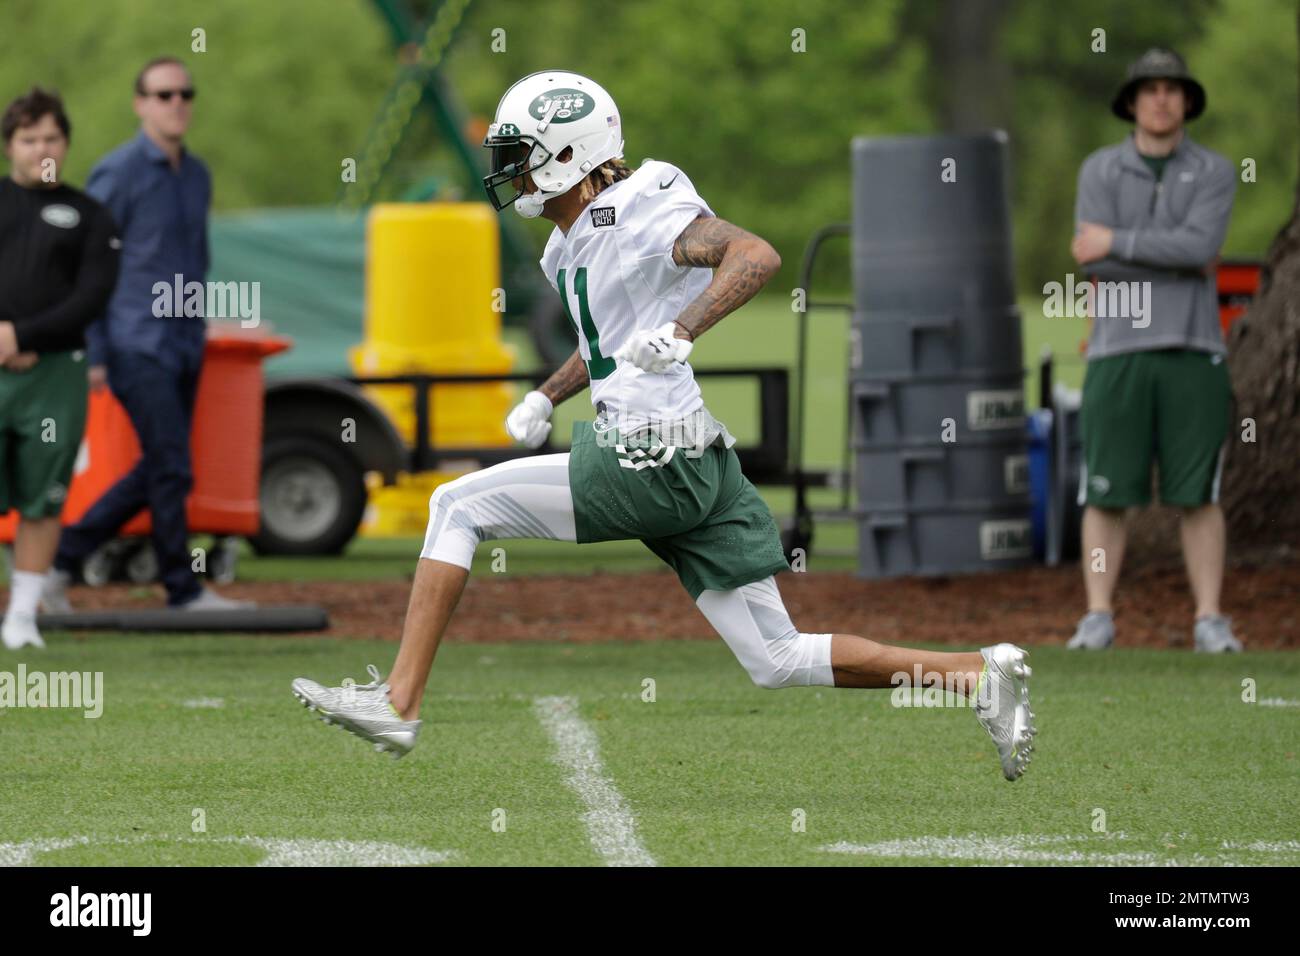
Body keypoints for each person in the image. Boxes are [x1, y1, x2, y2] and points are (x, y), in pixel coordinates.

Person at [290, 71, 1036, 780]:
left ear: (569, 155)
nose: (510, 173)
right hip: (691, 463)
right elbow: (609, 343)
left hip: (656, 456)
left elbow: (755, 256)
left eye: (520, 158)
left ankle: (398, 702)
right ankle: (975, 676)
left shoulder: (642, 207)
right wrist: (549, 394)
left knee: (457, 505)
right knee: (774, 658)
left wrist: (683, 328)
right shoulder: (567, 244)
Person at [40, 57, 251, 613]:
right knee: (172, 465)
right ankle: (180, 588)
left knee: (163, 465)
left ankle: (61, 558)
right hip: (135, 342)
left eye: (184, 93)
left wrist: (205, 320)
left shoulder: (197, 174)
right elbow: (89, 265)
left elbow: (195, 261)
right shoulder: (118, 172)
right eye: (162, 94)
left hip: (184, 343)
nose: (175, 102)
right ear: (140, 104)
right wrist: (98, 350)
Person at [1068, 48, 1238, 652]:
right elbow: (1089, 254)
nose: (1161, 99)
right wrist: (1150, 250)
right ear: (1133, 102)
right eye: (1150, 89)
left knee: (1198, 492)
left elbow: (1201, 248)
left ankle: (1210, 620)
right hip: (1116, 350)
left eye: (1172, 88)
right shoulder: (1099, 170)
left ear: (1186, 101)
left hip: (1194, 348)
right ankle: (1097, 616)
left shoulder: (1215, 171)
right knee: (1106, 490)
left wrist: (1119, 242)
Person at [0, 88, 121, 650]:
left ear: (66, 144)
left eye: (51, 137)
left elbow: (91, 296)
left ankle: (22, 618)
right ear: (10, 147)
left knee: (44, 495)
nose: (40, 148)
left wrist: (22, 335)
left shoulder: (92, 217)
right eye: (29, 138)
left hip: (56, 372)